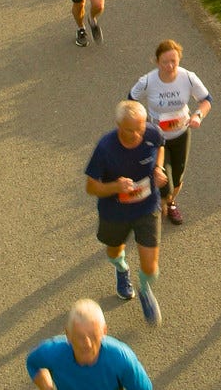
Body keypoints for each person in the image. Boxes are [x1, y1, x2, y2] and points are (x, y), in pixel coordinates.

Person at [84, 101, 167, 326]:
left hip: (147, 207)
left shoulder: (152, 133)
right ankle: (122, 269)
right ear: (118, 124)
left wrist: (158, 169)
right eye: (130, 129)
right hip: (115, 211)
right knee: (114, 252)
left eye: (140, 127)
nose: (136, 134)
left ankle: (145, 288)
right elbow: (91, 187)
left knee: (151, 267)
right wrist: (115, 187)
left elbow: (160, 146)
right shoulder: (105, 148)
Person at [128, 41, 211, 225]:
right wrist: (141, 125)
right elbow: (131, 101)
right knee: (163, 178)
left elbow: (206, 100)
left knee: (179, 175)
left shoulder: (188, 78)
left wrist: (198, 115)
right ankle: (165, 202)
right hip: (156, 138)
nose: (170, 66)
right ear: (157, 62)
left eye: (174, 61)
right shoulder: (148, 81)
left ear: (179, 59)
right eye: (165, 62)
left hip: (181, 134)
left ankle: (168, 201)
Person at [25, 301, 152, 390]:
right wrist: (46, 387)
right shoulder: (52, 352)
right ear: (68, 335)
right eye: (80, 336)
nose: (87, 344)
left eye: (93, 335)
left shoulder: (121, 359)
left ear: (104, 332)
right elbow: (32, 362)